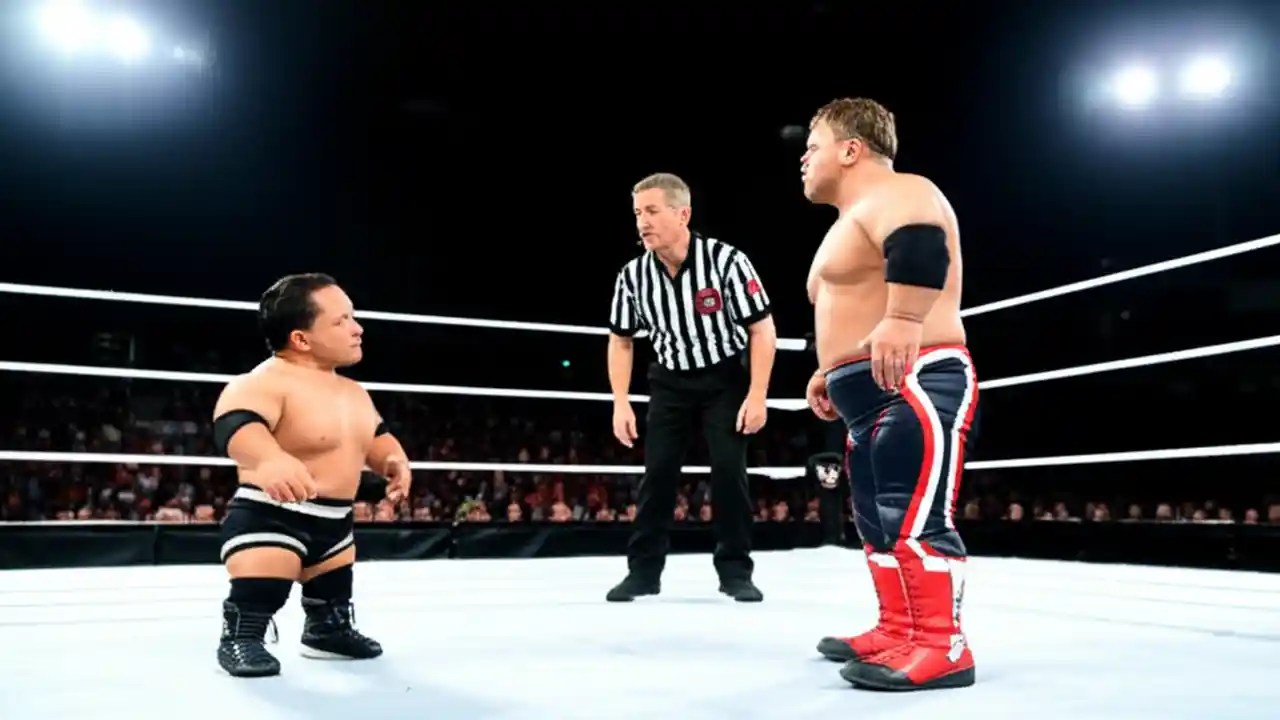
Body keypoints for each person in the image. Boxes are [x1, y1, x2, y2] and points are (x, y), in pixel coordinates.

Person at [800, 98, 979, 690]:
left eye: (814, 145)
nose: (803, 158)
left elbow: (921, 245)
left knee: (914, 515)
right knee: (878, 521)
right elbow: (845, 305)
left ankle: (942, 645)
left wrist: (903, 317)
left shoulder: (901, 191)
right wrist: (829, 369)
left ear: (851, 149)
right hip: (865, 394)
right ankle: (898, 628)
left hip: (916, 375)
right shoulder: (850, 222)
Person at [211, 272, 413, 677]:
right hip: (272, 513)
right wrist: (268, 458)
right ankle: (241, 636)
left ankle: (326, 630)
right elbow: (235, 423)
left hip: (336, 521)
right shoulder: (267, 381)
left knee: (334, 582)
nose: (358, 328)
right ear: (301, 338)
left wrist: (394, 461)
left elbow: (373, 437)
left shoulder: (355, 393)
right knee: (265, 580)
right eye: (342, 321)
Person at [605, 172, 776, 603]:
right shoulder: (632, 275)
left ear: (683, 214)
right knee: (657, 473)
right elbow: (621, 339)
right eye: (637, 213)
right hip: (668, 380)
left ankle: (735, 570)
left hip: (723, 378)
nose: (642, 222)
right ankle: (643, 572)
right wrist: (620, 402)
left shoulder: (726, 262)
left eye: (652, 211)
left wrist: (757, 394)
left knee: (728, 471)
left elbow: (762, 328)